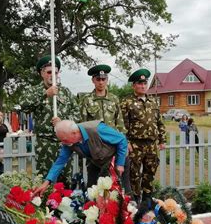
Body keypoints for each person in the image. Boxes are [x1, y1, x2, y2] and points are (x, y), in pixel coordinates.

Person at [21, 55, 80, 182]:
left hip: (64, 143)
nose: (52, 75)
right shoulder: (33, 91)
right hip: (45, 144)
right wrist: (45, 94)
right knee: (45, 181)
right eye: (49, 72)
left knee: (65, 182)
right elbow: (24, 106)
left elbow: (77, 114)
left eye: (55, 72)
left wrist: (63, 122)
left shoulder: (65, 92)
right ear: (41, 73)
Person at [34, 120, 128, 195]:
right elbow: (60, 162)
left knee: (121, 192)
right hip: (96, 162)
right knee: (92, 192)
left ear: (74, 133)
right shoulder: (68, 142)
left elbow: (122, 139)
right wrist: (47, 182)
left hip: (116, 160)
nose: (63, 143)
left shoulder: (97, 129)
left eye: (64, 139)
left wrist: (120, 164)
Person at [80, 64, 131, 192]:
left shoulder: (114, 99)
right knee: (93, 184)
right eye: (98, 79)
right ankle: (91, 208)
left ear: (107, 80)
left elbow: (120, 123)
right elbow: (83, 124)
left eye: (104, 79)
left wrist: (125, 142)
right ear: (93, 80)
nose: (101, 82)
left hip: (113, 146)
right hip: (95, 148)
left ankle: (120, 209)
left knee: (117, 183)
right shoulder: (86, 100)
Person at [120, 68, 166, 203]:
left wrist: (162, 140)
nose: (143, 86)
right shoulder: (126, 102)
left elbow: (160, 122)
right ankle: (136, 201)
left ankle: (147, 199)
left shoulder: (153, 102)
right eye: (139, 84)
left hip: (151, 145)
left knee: (150, 173)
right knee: (134, 174)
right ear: (134, 85)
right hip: (135, 145)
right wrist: (126, 142)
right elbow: (122, 125)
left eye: (145, 83)